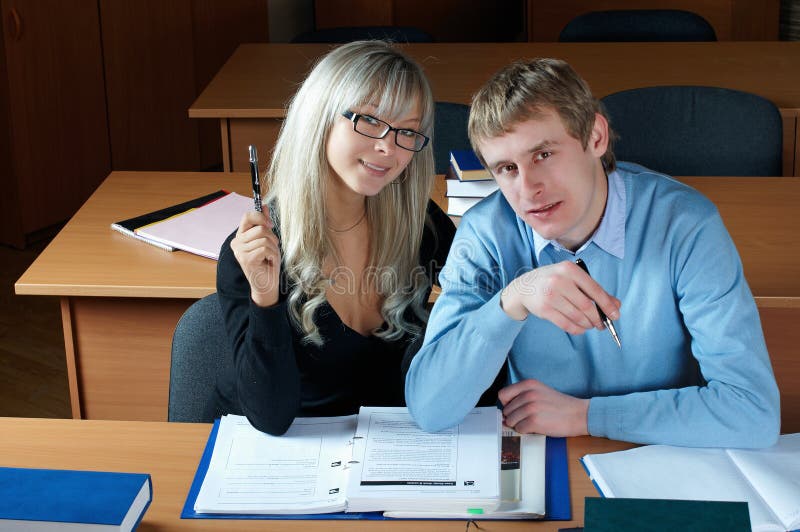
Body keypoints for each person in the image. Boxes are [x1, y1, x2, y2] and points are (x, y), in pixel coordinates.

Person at [405, 58, 780, 448]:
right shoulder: (485, 232)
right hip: (550, 454)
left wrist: (586, 414)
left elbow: (752, 413)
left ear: (596, 137)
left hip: (663, 449)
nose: (528, 188)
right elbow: (430, 409)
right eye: (507, 168)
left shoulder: (686, 225)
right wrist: (512, 300)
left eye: (544, 155)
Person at [215, 40, 455, 436]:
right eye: (370, 121)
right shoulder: (253, 253)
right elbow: (271, 419)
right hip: (294, 453)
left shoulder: (420, 224)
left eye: (407, 132)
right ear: (321, 118)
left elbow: (484, 292)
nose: (387, 147)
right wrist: (265, 296)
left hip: (390, 448)